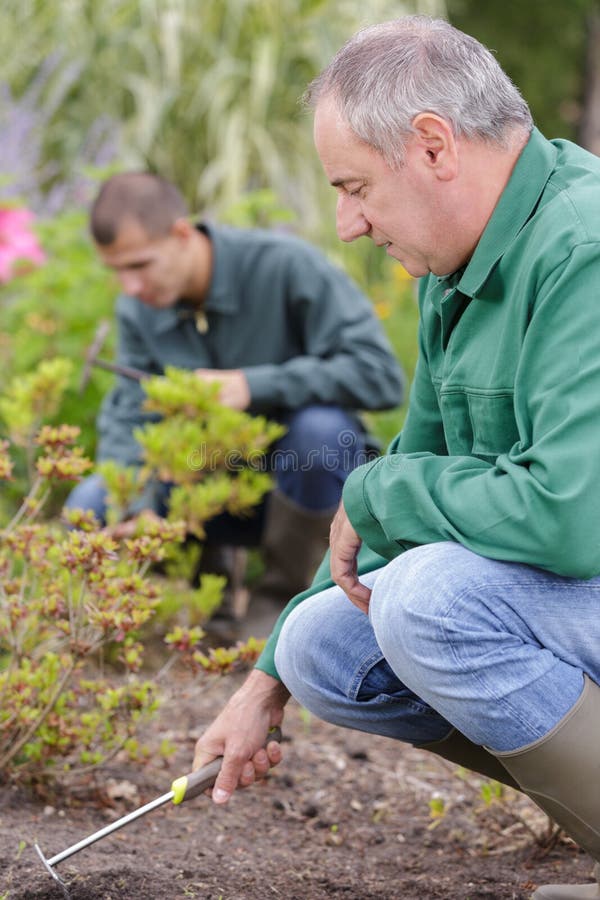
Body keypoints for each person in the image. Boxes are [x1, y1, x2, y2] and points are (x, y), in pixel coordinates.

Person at [192, 15, 600, 900]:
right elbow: (409, 471)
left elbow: (570, 518)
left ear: (433, 146)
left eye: (355, 188)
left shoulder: (584, 249)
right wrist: (263, 684)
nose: (347, 224)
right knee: (321, 648)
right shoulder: (458, 266)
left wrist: (386, 489)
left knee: (428, 601)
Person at [66, 172, 404, 622]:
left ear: (181, 234)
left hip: (304, 484)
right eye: (117, 271)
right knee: (91, 506)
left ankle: (288, 606)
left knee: (320, 432)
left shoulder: (284, 266)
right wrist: (136, 505)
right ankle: (209, 600)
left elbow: (380, 376)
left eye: (140, 265)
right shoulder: (138, 309)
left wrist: (253, 385)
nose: (130, 287)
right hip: (204, 490)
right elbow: (128, 418)